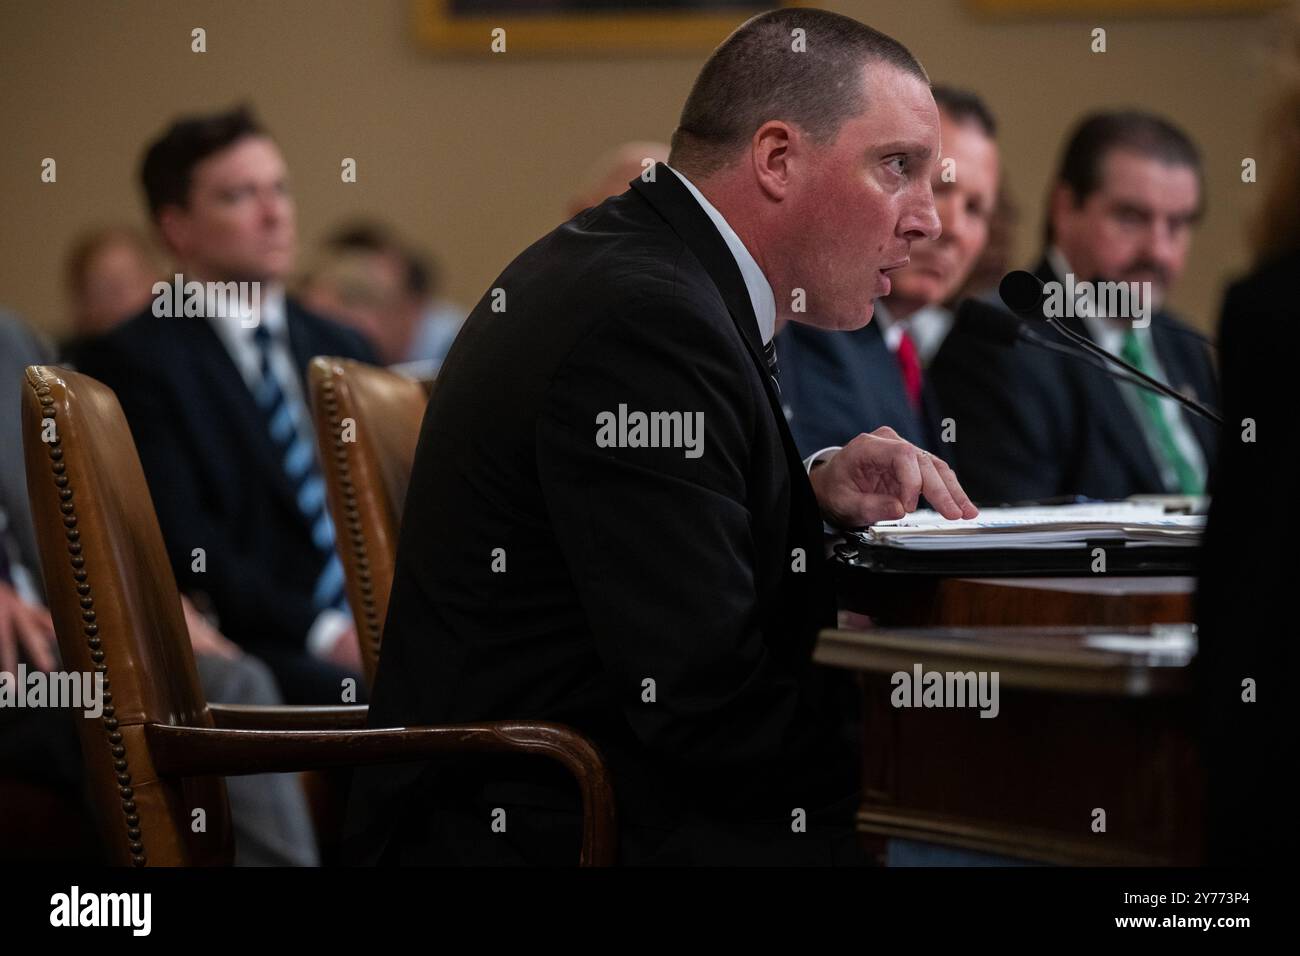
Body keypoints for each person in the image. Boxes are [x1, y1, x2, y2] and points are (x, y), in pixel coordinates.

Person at [345, 8, 976, 867]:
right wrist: (970, 724)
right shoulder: (649, 322)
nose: (928, 221)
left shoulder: (657, 276)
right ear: (778, 159)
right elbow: (709, 708)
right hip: (554, 828)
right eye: (897, 167)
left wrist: (809, 484)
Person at [68, 105, 378, 703]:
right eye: (239, 196)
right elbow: (187, 543)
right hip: (253, 646)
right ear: (176, 227)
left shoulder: (343, 344)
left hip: (378, 623)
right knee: (384, 697)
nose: (275, 213)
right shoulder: (133, 359)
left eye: (279, 189)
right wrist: (327, 631)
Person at [929, 110, 1218, 504]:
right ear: (1064, 208)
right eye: (1131, 218)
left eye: (1178, 224)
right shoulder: (1002, 341)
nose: (1159, 251)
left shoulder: (1184, 346)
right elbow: (1018, 540)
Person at [776, 86, 1002, 456]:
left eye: (976, 209)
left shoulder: (906, 345)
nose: (952, 228)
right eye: (939, 189)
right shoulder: (812, 325)